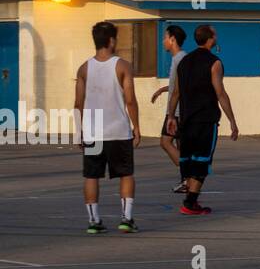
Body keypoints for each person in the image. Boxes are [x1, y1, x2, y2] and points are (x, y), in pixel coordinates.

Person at [75, 22, 141, 233]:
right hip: (118, 131)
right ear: (112, 40)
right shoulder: (122, 66)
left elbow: (78, 103)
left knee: (91, 176)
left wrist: (79, 131)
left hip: (93, 132)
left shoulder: (84, 68)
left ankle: (94, 221)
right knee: (126, 174)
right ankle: (126, 219)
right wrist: (136, 127)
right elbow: (130, 99)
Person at [168, 25, 239, 216]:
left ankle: (191, 201)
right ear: (210, 39)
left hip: (186, 120)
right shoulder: (214, 63)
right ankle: (190, 204)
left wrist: (170, 117)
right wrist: (232, 120)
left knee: (190, 161)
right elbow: (220, 93)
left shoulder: (184, 62)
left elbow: (175, 93)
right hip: (205, 120)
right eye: (215, 34)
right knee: (201, 162)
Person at [149, 24, 188, 193]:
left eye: (165, 38)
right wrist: (162, 90)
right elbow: (175, 85)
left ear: (172, 39)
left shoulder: (181, 59)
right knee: (180, 147)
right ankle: (186, 181)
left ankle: (191, 174)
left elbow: (181, 88)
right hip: (177, 111)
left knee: (165, 142)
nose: (163, 41)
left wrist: (171, 114)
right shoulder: (177, 59)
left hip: (177, 112)